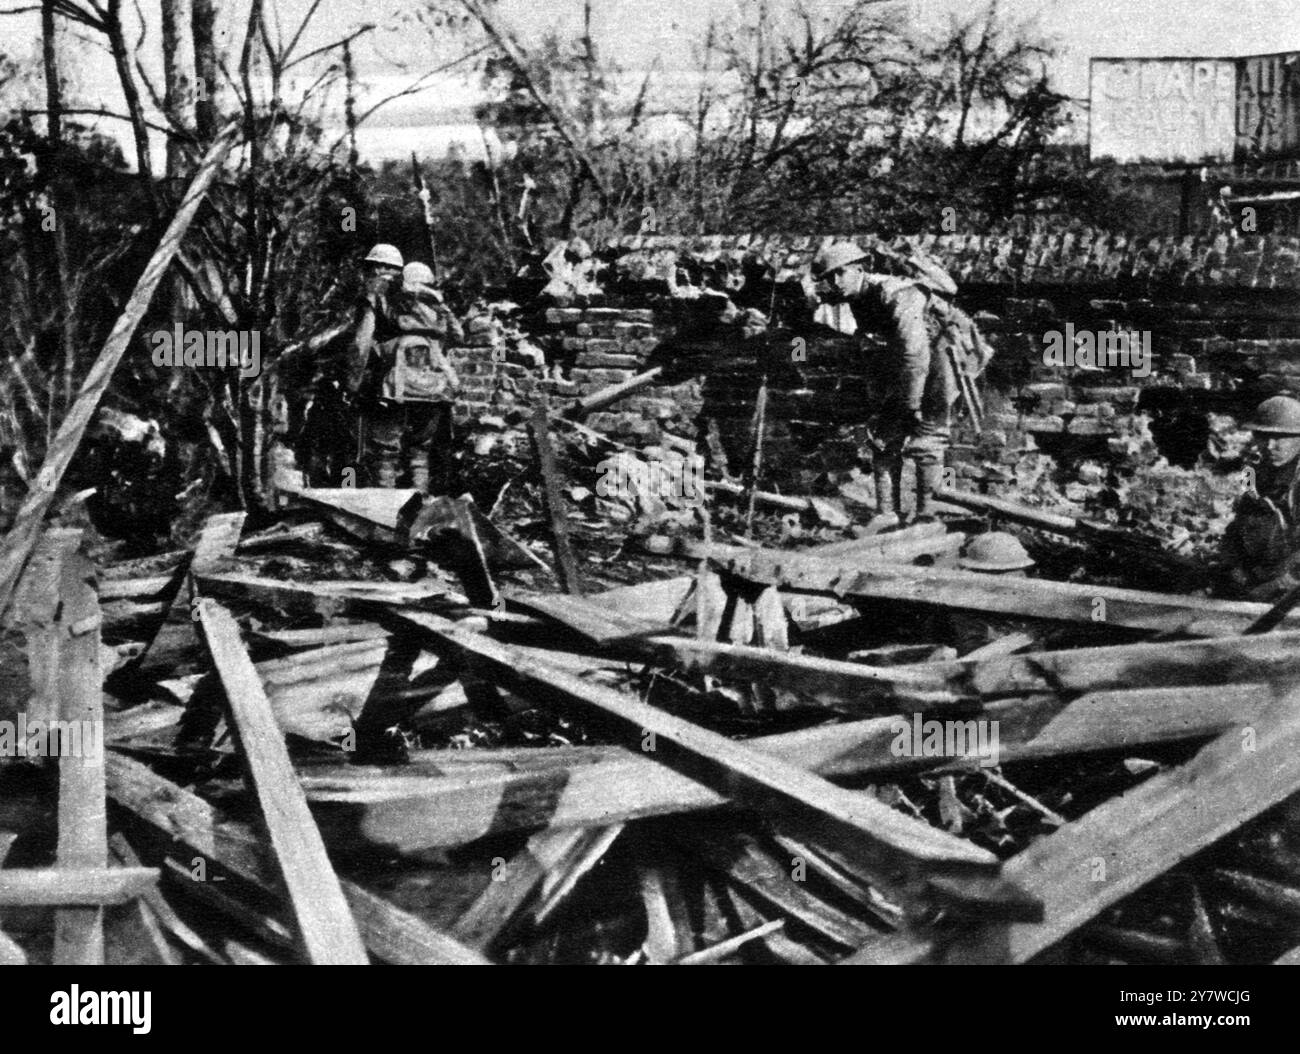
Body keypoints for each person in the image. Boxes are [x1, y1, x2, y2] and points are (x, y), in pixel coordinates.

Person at [810, 241, 993, 527]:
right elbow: (880, 342)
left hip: (939, 356)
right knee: (883, 437)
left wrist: (909, 405)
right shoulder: (858, 297)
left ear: (859, 269)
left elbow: (915, 352)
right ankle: (886, 514)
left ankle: (926, 515)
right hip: (903, 361)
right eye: (828, 277)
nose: (835, 282)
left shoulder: (899, 294)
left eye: (840, 273)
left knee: (927, 436)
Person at [350, 260, 462, 491]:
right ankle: (418, 511)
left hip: (396, 388)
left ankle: (386, 515)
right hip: (434, 389)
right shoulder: (438, 307)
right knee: (420, 453)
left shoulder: (389, 301)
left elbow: (361, 345)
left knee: (385, 453)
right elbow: (459, 335)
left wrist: (352, 383)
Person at [1218, 395, 1300, 601]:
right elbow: (1240, 521)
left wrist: (1279, 584)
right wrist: (1232, 566)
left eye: (1281, 437)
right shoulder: (1252, 470)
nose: (1271, 445)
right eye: (1263, 436)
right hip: (1255, 572)